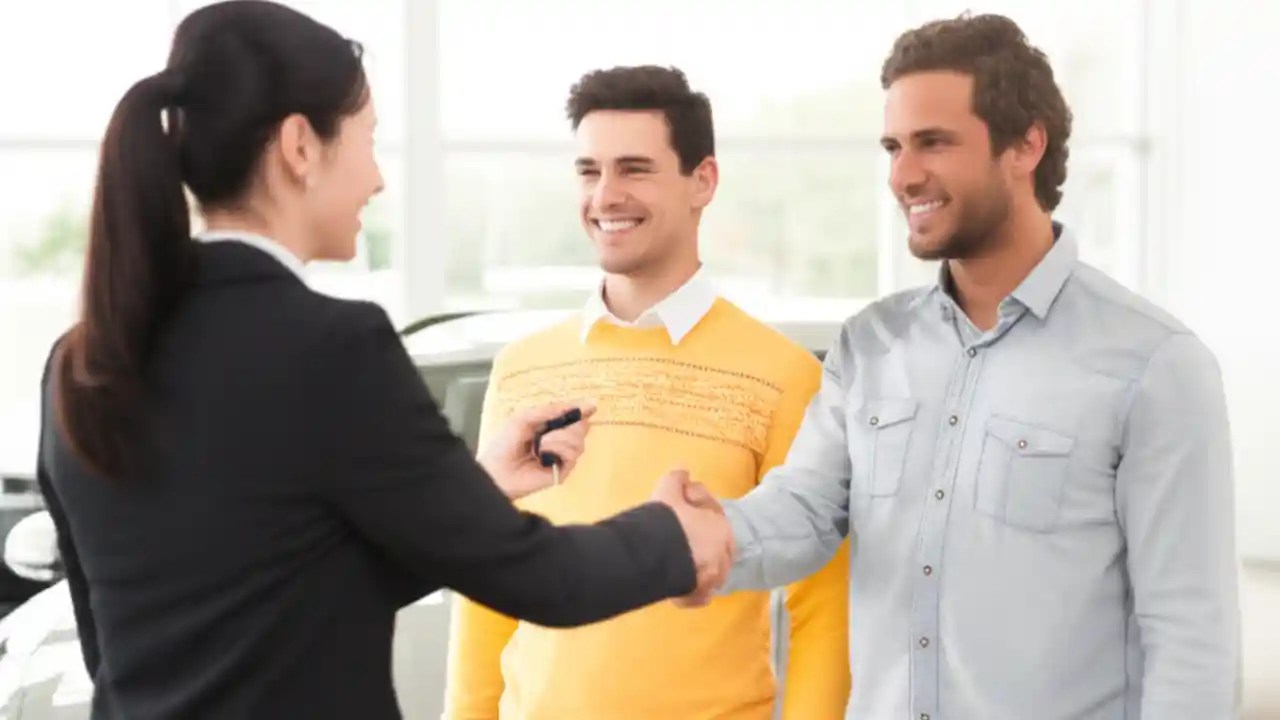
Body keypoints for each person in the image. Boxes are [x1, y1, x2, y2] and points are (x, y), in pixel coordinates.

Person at [34, 2, 731, 718]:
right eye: (368, 140)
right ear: (300, 146)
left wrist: (474, 489)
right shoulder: (329, 345)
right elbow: (542, 579)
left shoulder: (79, 361)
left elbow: (257, 594)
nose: (377, 179)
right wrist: (674, 534)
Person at [678, 13, 1243, 720]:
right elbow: (807, 511)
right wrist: (711, 535)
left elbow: (1190, 636)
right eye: (893, 147)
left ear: (1026, 145)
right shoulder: (869, 346)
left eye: (934, 144)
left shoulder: (1154, 366)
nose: (904, 175)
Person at [443, 65, 851, 720]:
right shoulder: (522, 369)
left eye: (634, 169)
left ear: (703, 181)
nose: (605, 195)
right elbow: (486, 589)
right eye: (588, 171)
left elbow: (825, 614)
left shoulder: (785, 376)